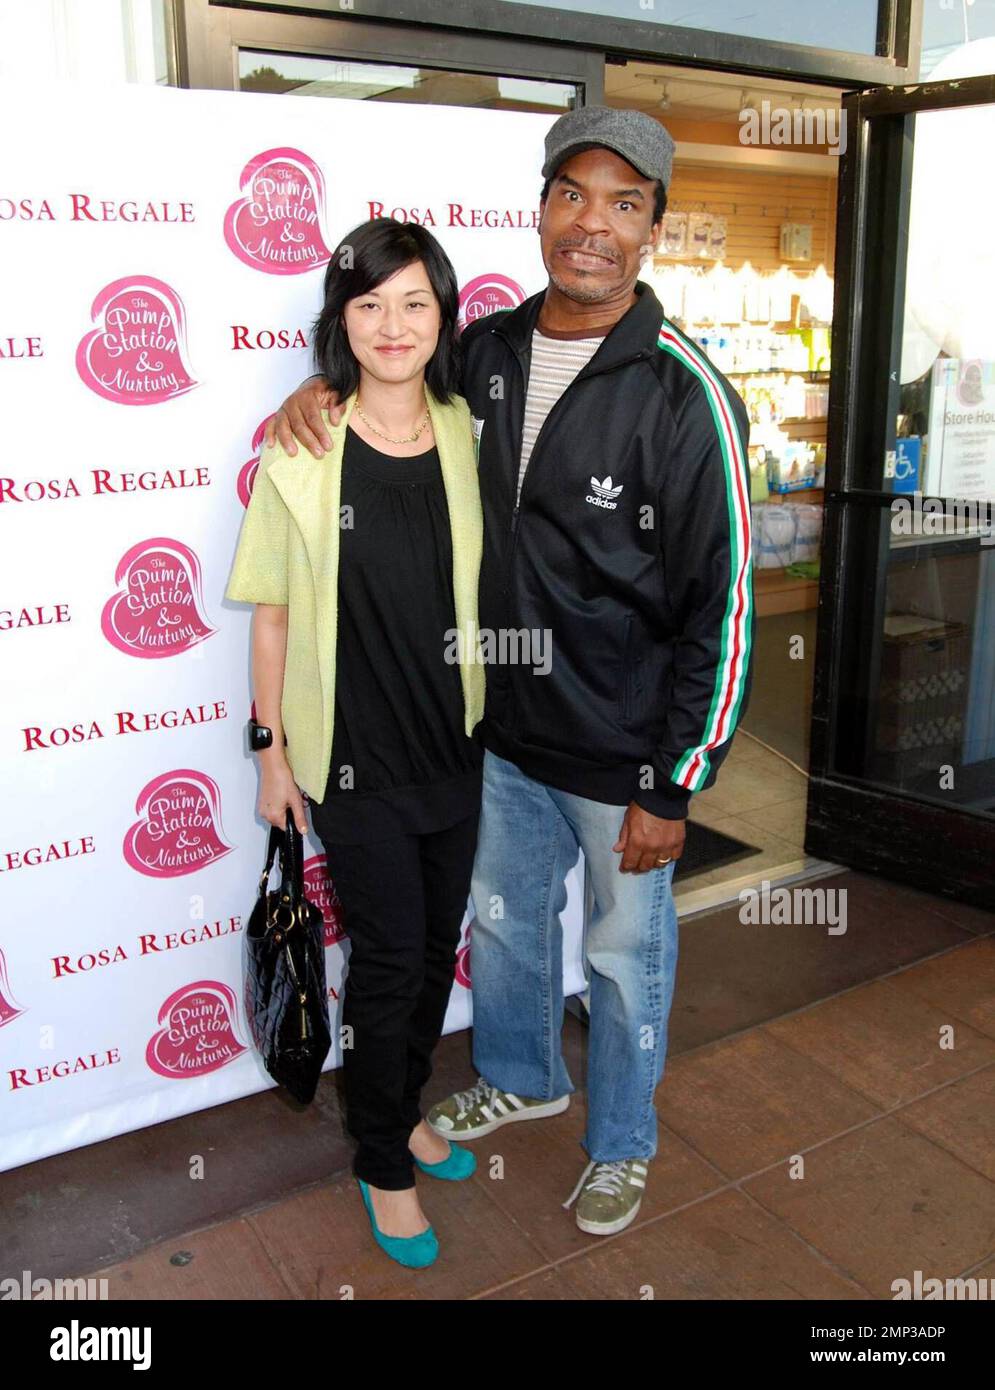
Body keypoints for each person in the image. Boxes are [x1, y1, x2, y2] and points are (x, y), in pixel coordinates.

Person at [266, 107, 754, 1237]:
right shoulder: (483, 348)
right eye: (572, 195)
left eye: (624, 205)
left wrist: (671, 780)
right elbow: (384, 383)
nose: (593, 225)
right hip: (490, 732)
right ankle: (526, 1076)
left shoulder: (685, 395)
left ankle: (621, 1141)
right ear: (539, 209)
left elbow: (721, 610)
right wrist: (316, 391)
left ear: (652, 233)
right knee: (503, 931)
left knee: (626, 954)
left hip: (623, 753)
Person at [225, 217, 487, 1269]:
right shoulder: (300, 444)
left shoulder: (472, 429)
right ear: (340, 321)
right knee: (383, 959)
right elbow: (273, 614)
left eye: (413, 302)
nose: (392, 324)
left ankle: (403, 1104)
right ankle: (381, 1157)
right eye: (369, 303)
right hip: (351, 758)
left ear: (441, 315)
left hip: (458, 748)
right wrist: (268, 753)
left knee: (433, 950)